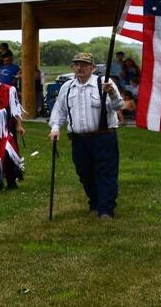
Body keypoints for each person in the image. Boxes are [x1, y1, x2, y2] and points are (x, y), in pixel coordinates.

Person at [48, 52, 123, 220]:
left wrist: (111, 93)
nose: (80, 67)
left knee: (105, 172)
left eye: (84, 64)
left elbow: (118, 105)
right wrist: (55, 128)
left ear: (93, 67)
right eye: (77, 64)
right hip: (79, 139)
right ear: (72, 67)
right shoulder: (67, 87)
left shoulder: (103, 83)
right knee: (85, 173)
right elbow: (59, 110)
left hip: (104, 136)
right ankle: (95, 203)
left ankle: (106, 209)